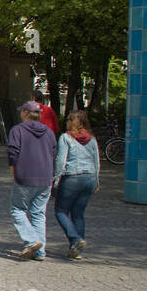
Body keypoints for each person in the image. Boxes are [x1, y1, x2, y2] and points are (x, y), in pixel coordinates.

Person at [8, 99, 57, 260]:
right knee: (38, 214)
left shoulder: (18, 130)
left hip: (24, 176)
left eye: (22, 111)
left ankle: (32, 240)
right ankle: (40, 252)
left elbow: (13, 152)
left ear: (26, 113)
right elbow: (53, 153)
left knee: (18, 210)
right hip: (45, 178)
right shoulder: (49, 132)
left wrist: (13, 171)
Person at [53, 109, 100, 259]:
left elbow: (61, 160)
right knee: (78, 214)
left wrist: (56, 178)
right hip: (89, 178)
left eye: (68, 119)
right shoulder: (91, 138)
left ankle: (75, 239)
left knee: (60, 211)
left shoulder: (66, 138)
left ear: (72, 122)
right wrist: (97, 180)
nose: (66, 121)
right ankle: (77, 250)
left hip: (72, 177)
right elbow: (96, 161)